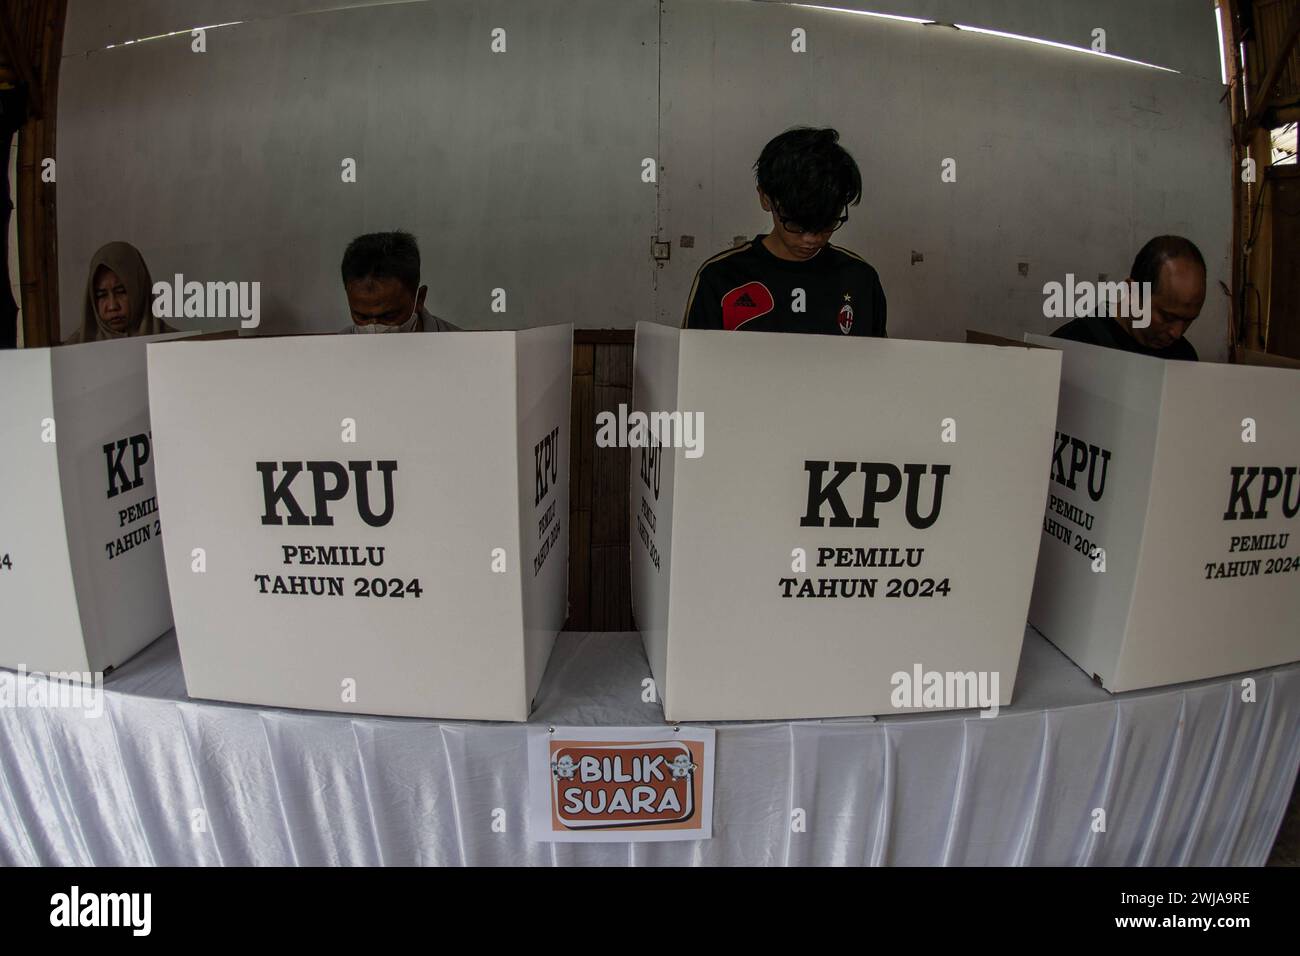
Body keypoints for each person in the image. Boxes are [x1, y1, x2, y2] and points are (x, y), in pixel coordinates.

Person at [682, 127, 886, 337]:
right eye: (796, 225)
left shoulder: (860, 279)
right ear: (765, 198)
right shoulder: (720, 277)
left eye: (826, 224)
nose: (811, 239)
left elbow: (876, 365)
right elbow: (694, 365)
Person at [1052, 235, 1205, 361]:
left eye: (1188, 320)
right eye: (1167, 317)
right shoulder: (1072, 345)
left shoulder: (1185, 356)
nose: (1177, 333)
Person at [339, 231, 460, 333]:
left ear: (420, 299)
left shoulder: (465, 349)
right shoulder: (331, 352)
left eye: (389, 316)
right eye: (362, 317)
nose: (374, 328)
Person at [64, 241, 173, 344]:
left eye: (121, 292)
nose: (112, 306)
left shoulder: (175, 344)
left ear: (140, 290)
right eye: (101, 295)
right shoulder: (71, 351)